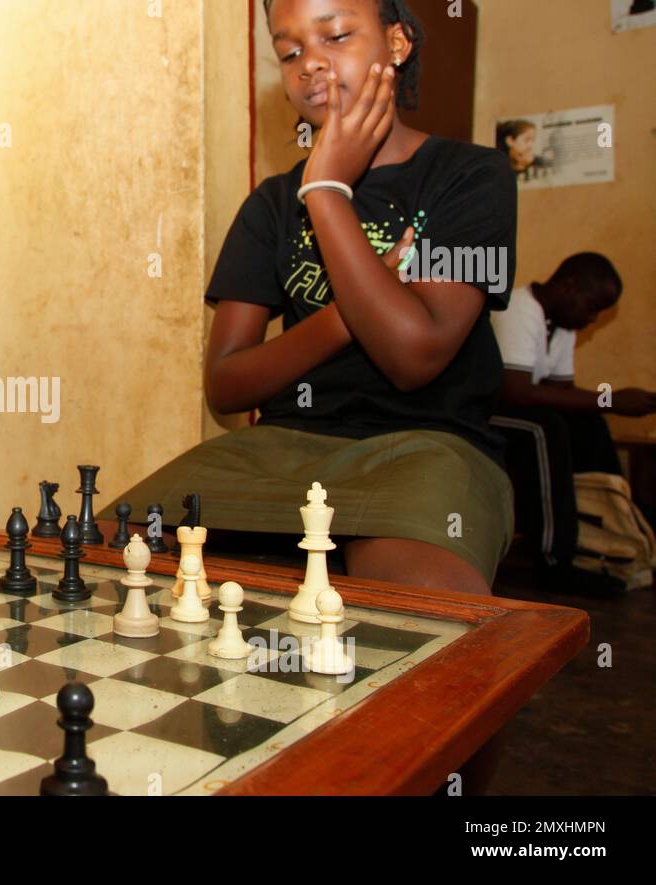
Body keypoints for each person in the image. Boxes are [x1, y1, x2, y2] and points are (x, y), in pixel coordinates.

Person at [102, 0, 519, 600]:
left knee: (427, 617)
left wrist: (325, 190)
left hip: (427, 446)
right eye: (289, 51)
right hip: (278, 448)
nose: (310, 65)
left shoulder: (471, 176)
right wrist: (359, 305)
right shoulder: (272, 203)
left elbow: (414, 355)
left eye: (338, 35)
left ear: (397, 44)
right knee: (95, 562)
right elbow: (227, 386)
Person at [490, 253, 656, 596]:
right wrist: (611, 399)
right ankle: (555, 561)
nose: (592, 319)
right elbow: (516, 391)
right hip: (483, 409)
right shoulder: (520, 308)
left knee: (588, 423)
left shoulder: (561, 324)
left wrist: (610, 403)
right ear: (569, 288)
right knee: (544, 427)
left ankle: (616, 530)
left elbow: (560, 390)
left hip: (518, 407)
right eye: (592, 307)